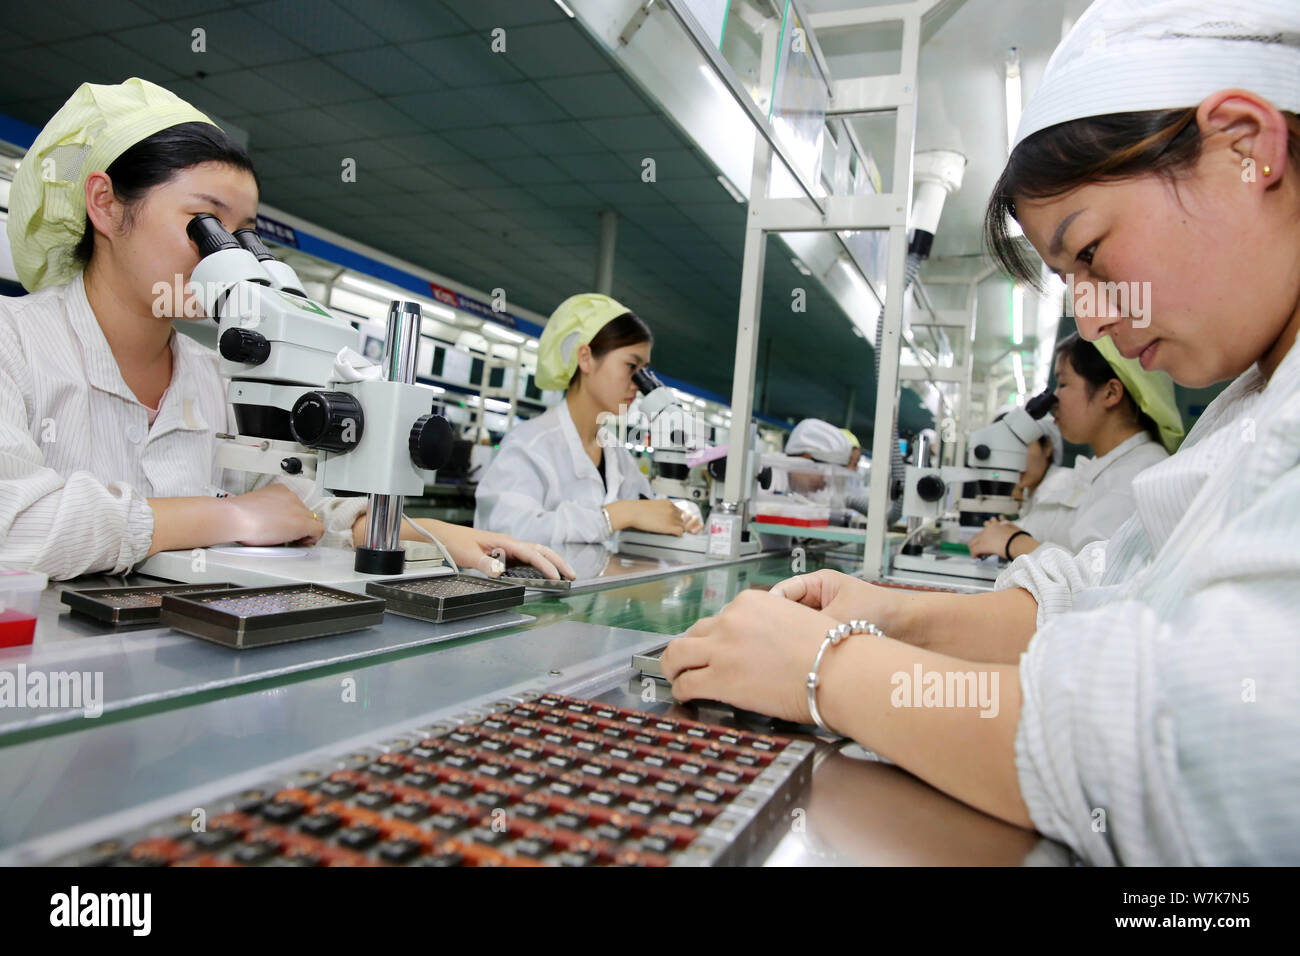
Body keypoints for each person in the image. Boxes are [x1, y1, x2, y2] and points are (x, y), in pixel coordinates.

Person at [660, 0, 1300, 864]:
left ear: (1245, 145)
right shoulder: (1253, 405)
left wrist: (833, 673)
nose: (1095, 317)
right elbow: (1109, 594)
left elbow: (1212, 751)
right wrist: (896, 618)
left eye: (1091, 252)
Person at [0, 78, 572, 582]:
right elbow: (17, 525)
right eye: (204, 224)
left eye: (243, 235)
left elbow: (296, 502)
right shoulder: (15, 343)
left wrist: (412, 531)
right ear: (103, 203)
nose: (229, 255)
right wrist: (228, 515)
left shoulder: (217, 377)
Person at [474, 293, 703, 545]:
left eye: (644, 372)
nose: (638, 385)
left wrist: (680, 512)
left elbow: (646, 506)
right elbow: (505, 532)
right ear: (585, 358)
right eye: (630, 367)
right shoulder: (529, 444)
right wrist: (613, 517)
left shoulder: (617, 455)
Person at [969, 332, 1181, 559]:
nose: (1053, 400)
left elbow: (1097, 576)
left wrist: (1014, 542)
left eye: (1063, 384)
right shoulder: (1107, 467)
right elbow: (1066, 539)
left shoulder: (1139, 472)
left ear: (1111, 393)